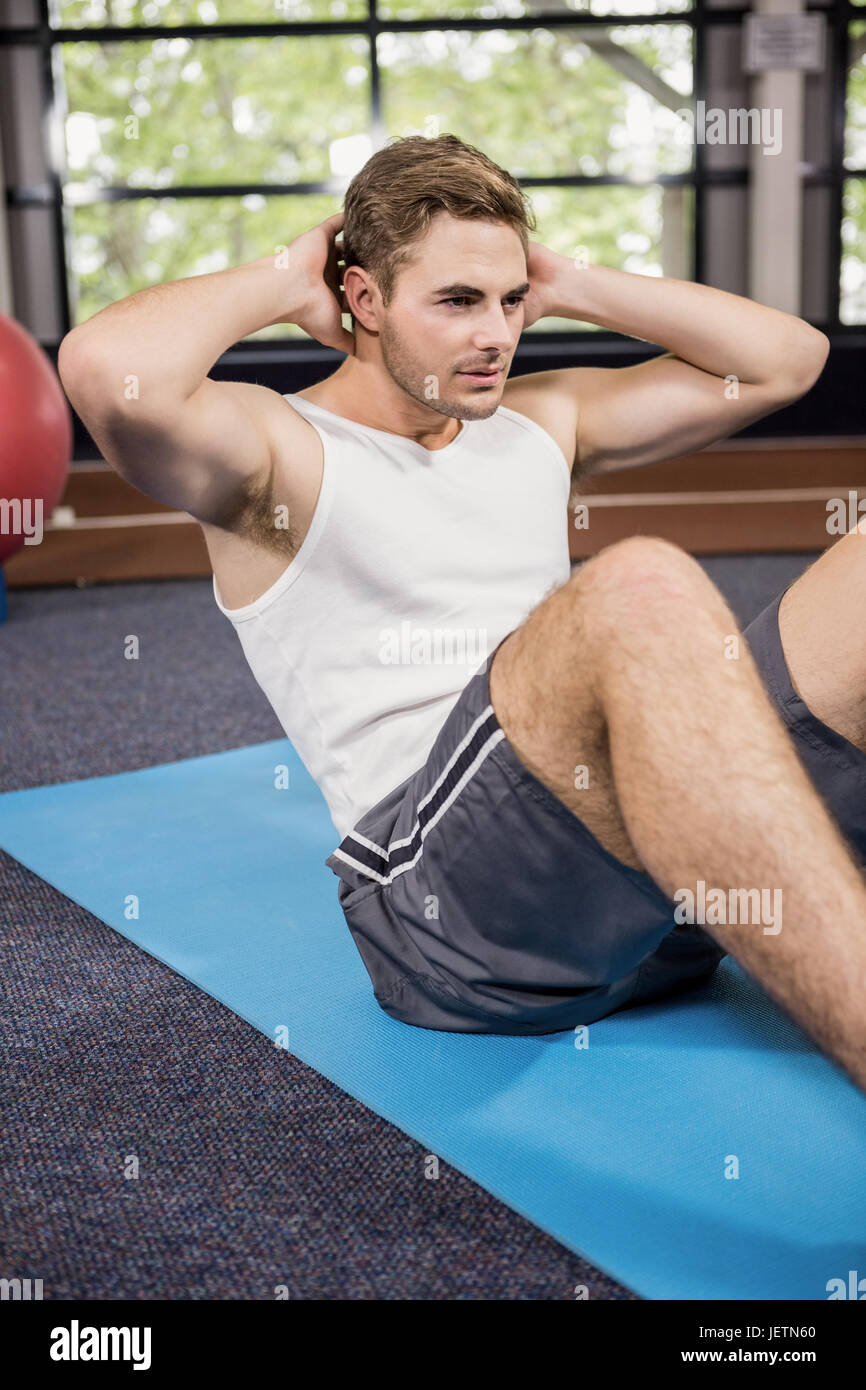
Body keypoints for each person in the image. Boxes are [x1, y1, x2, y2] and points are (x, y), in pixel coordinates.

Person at [58, 134, 866, 1091]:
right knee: (637, 588)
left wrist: (570, 282)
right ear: (360, 297)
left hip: (645, 889)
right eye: (456, 301)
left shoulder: (537, 421)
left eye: (510, 301)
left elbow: (788, 360)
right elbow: (108, 371)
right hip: (443, 918)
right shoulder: (279, 452)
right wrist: (286, 275)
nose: (496, 334)